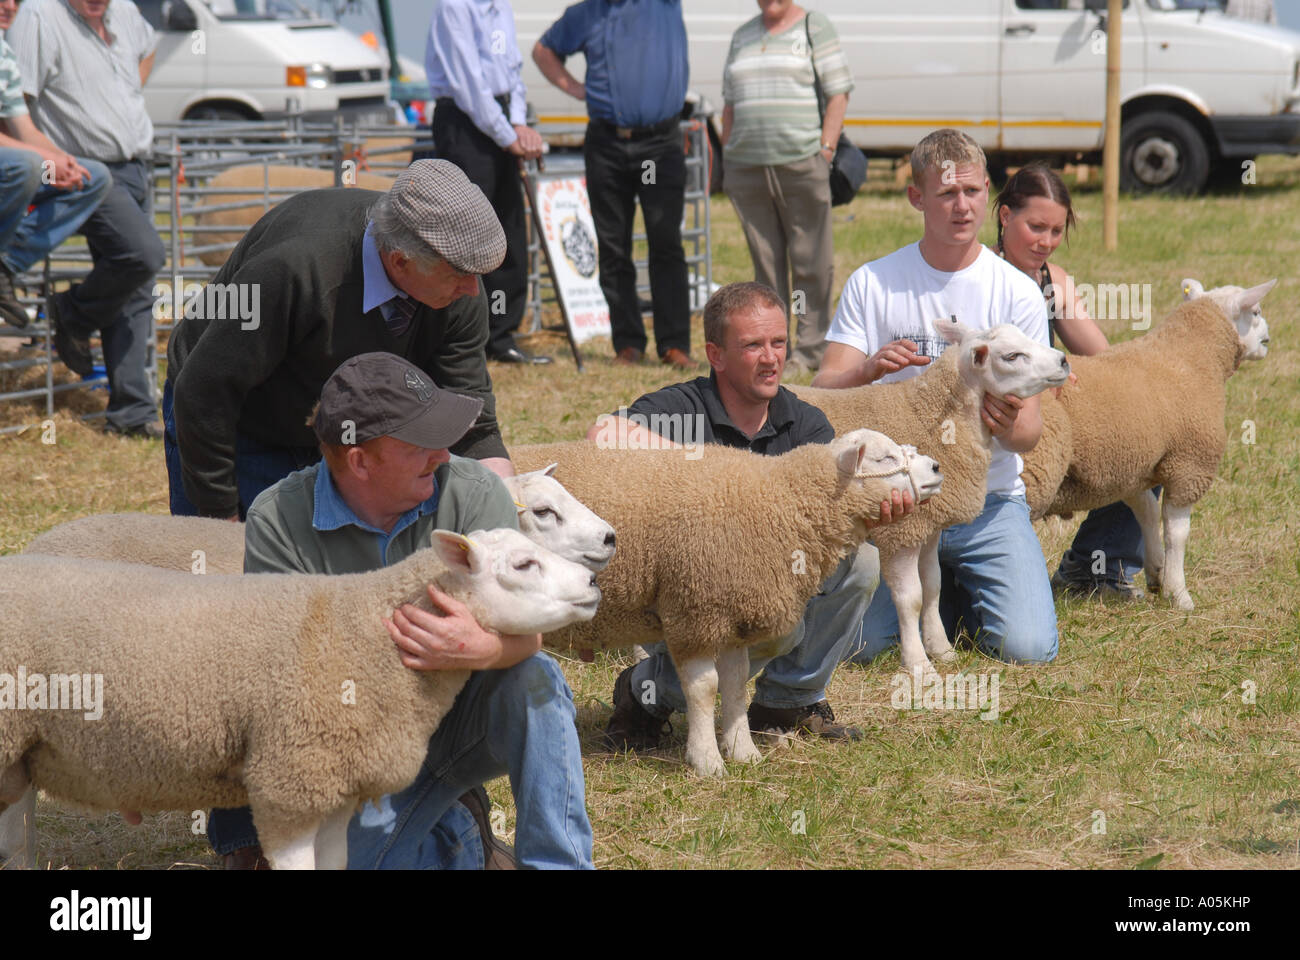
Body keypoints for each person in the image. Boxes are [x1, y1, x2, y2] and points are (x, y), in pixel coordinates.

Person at [209, 352, 592, 870]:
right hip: (351, 748)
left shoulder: (472, 490)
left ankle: (558, 864)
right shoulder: (279, 520)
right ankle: (458, 828)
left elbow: (528, 639)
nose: (441, 455)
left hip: (458, 717)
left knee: (536, 678)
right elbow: (282, 675)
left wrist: (485, 647)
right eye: (420, 444)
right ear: (361, 460)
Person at [588, 281, 912, 748]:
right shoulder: (682, 409)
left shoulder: (804, 424)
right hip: (682, 596)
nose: (771, 358)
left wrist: (875, 513)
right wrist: (708, 468)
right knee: (775, 627)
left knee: (859, 565)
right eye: (753, 345)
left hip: (771, 592)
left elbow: (833, 509)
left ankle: (787, 700)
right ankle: (647, 691)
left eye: (779, 343)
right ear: (716, 355)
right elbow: (604, 432)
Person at [815, 128, 1058, 665]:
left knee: (1028, 648)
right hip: (893, 504)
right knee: (860, 648)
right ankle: (928, 600)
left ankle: (948, 596)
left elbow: (1029, 435)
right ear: (916, 197)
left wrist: (1001, 416)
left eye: (972, 191)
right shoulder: (874, 282)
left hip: (986, 501)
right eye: (946, 193)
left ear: (989, 195)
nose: (961, 205)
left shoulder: (1015, 290)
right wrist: (867, 368)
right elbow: (819, 397)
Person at [164, 159, 516, 522]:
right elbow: (204, 390)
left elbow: (470, 407)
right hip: (237, 421)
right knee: (244, 567)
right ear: (400, 261)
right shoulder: (293, 268)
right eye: (459, 273)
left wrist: (508, 506)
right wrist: (221, 519)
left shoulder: (456, 285)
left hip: (335, 431)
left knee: (334, 563)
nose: (474, 289)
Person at [9, 0, 167, 438]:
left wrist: (125, 96)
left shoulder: (125, 14)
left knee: (135, 284)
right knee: (143, 253)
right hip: (85, 171)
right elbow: (16, 98)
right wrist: (52, 158)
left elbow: (149, 49)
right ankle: (73, 313)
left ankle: (131, 414)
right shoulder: (40, 16)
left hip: (135, 163)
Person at [992, 162, 1146, 600]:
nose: (1046, 242)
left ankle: (1094, 566)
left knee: (1144, 434)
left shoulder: (1052, 281)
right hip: (1004, 427)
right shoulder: (981, 279)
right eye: (1035, 227)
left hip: (1059, 422)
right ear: (1005, 217)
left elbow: (1104, 357)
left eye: (1056, 231)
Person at [532, 0, 696, 370]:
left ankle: (674, 345)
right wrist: (575, 88)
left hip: (657, 144)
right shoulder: (586, 13)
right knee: (612, 246)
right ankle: (628, 345)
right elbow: (543, 51)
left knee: (664, 240)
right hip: (606, 144)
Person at [720, 0, 852, 373]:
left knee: (809, 261)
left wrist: (825, 150)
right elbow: (729, 103)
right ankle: (773, 347)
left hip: (800, 163)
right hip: (747, 167)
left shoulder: (814, 26)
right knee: (765, 266)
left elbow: (838, 93)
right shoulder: (742, 36)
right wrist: (729, 152)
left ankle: (808, 350)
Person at [424, 0, 551, 365]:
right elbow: (468, 82)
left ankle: (500, 335)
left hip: (499, 119)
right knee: (464, 232)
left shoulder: (500, 7)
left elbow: (512, 72)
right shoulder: (454, 7)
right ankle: (458, 337)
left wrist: (519, 123)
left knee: (508, 229)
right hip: (465, 123)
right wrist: (507, 133)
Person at [0, 0, 110, 330]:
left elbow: (24, 129)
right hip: (13, 167)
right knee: (28, 166)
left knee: (93, 178)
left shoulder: (5, 55)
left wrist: (63, 163)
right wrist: (46, 160)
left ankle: (4, 268)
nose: (10, 6)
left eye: (16, 0)